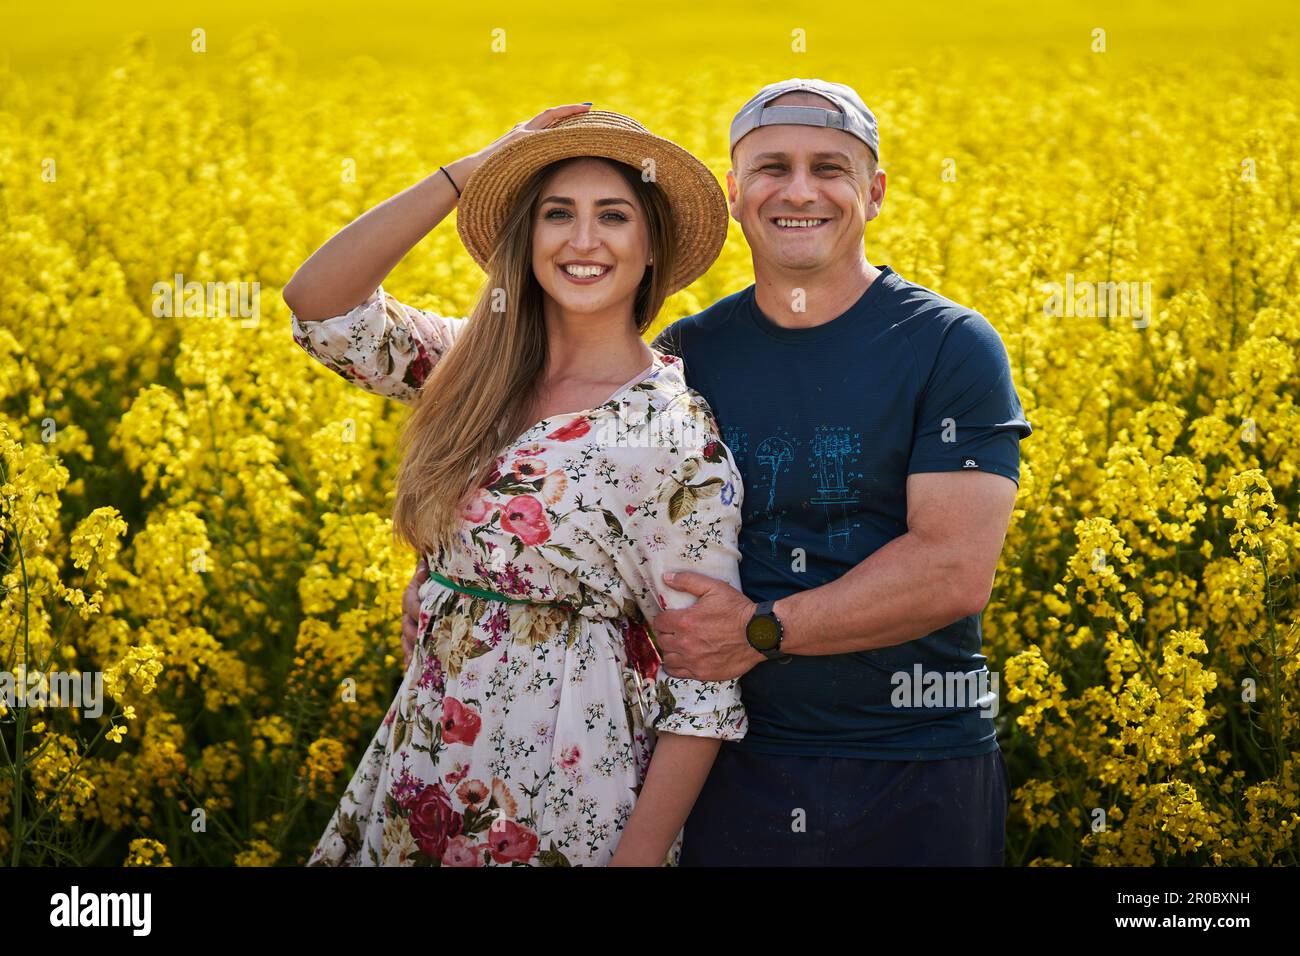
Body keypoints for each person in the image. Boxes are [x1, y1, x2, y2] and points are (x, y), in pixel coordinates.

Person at [399, 79, 1033, 866]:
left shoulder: (949, 345)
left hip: (916, 757)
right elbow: (579, 496)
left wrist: (762, 632)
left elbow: (952, 570)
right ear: (735, 195)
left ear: (873, 194)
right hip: (734, 770)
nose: (799, 191)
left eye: (830, 168)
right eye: (772, 167)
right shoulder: (686, 356)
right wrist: (452, 579)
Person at [284, 105, 747, 867]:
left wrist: (638, 859)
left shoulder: (668, 429)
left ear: (652, 246)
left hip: (567, 787)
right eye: (556, 214)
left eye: (614, 216)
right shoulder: (474, 368)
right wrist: (470, 174)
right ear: (526, 237)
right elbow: (321, 307)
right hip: (431, 756)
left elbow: (704, 690)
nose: (583, 240)